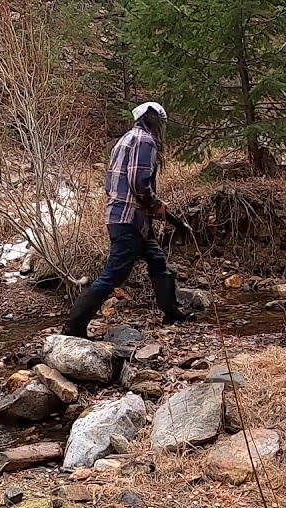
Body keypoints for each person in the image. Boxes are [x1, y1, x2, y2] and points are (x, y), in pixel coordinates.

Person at [63, 101, 193, 338]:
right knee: (114, 274)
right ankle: (74, 325)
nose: (161, 127)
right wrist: (155, 204)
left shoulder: (123, 140)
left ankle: (172, 313)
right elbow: (138, 183)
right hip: (129, 219)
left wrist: (151, 208)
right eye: (159, 121)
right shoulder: (144, 140)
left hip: (128, 217)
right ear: (150, 117)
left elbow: (113, 184)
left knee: (156, 259)